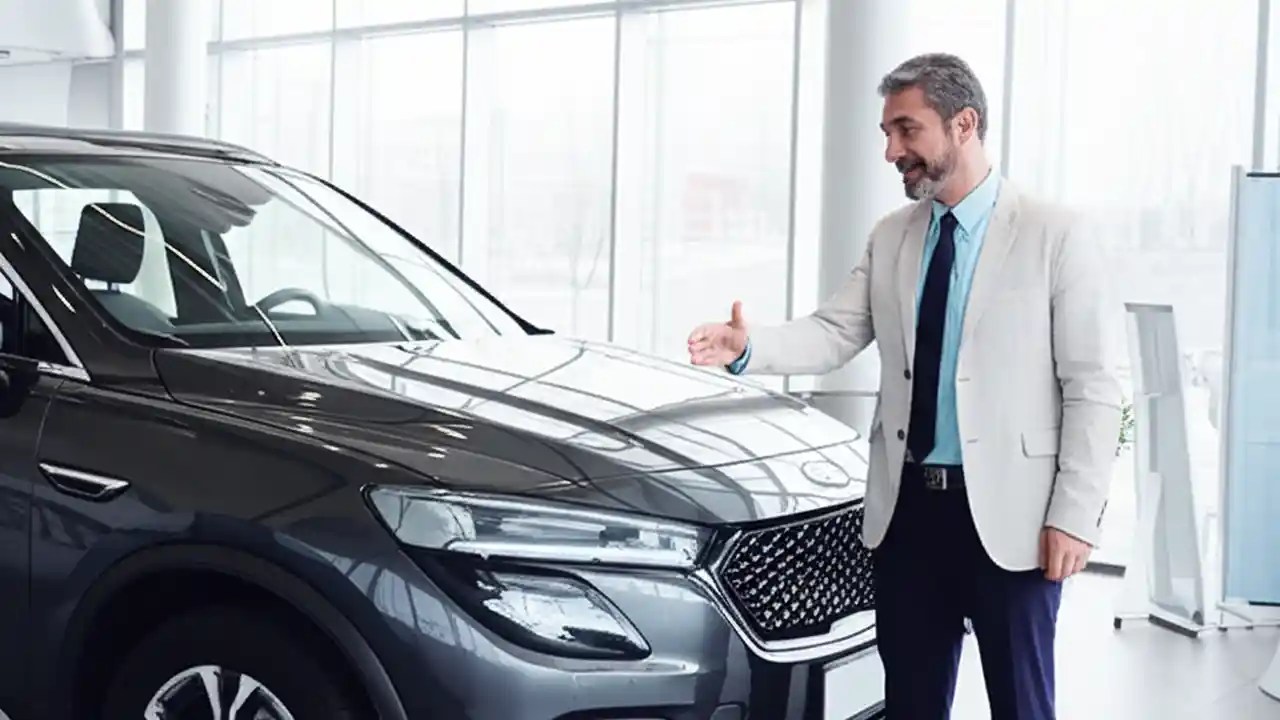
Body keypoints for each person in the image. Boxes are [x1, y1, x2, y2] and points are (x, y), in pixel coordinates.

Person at [687, 52, 1122, 719]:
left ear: (963, 124)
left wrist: (1073, 515)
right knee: (911, 704)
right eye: (886, 133)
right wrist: (750, 348)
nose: (892, 150)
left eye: (906, 129)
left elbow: (1093, 386)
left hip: (1013, 519)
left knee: (1022, 705)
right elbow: (834, 332)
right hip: (909, 517)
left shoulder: (1053, 234)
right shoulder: (892, 237)